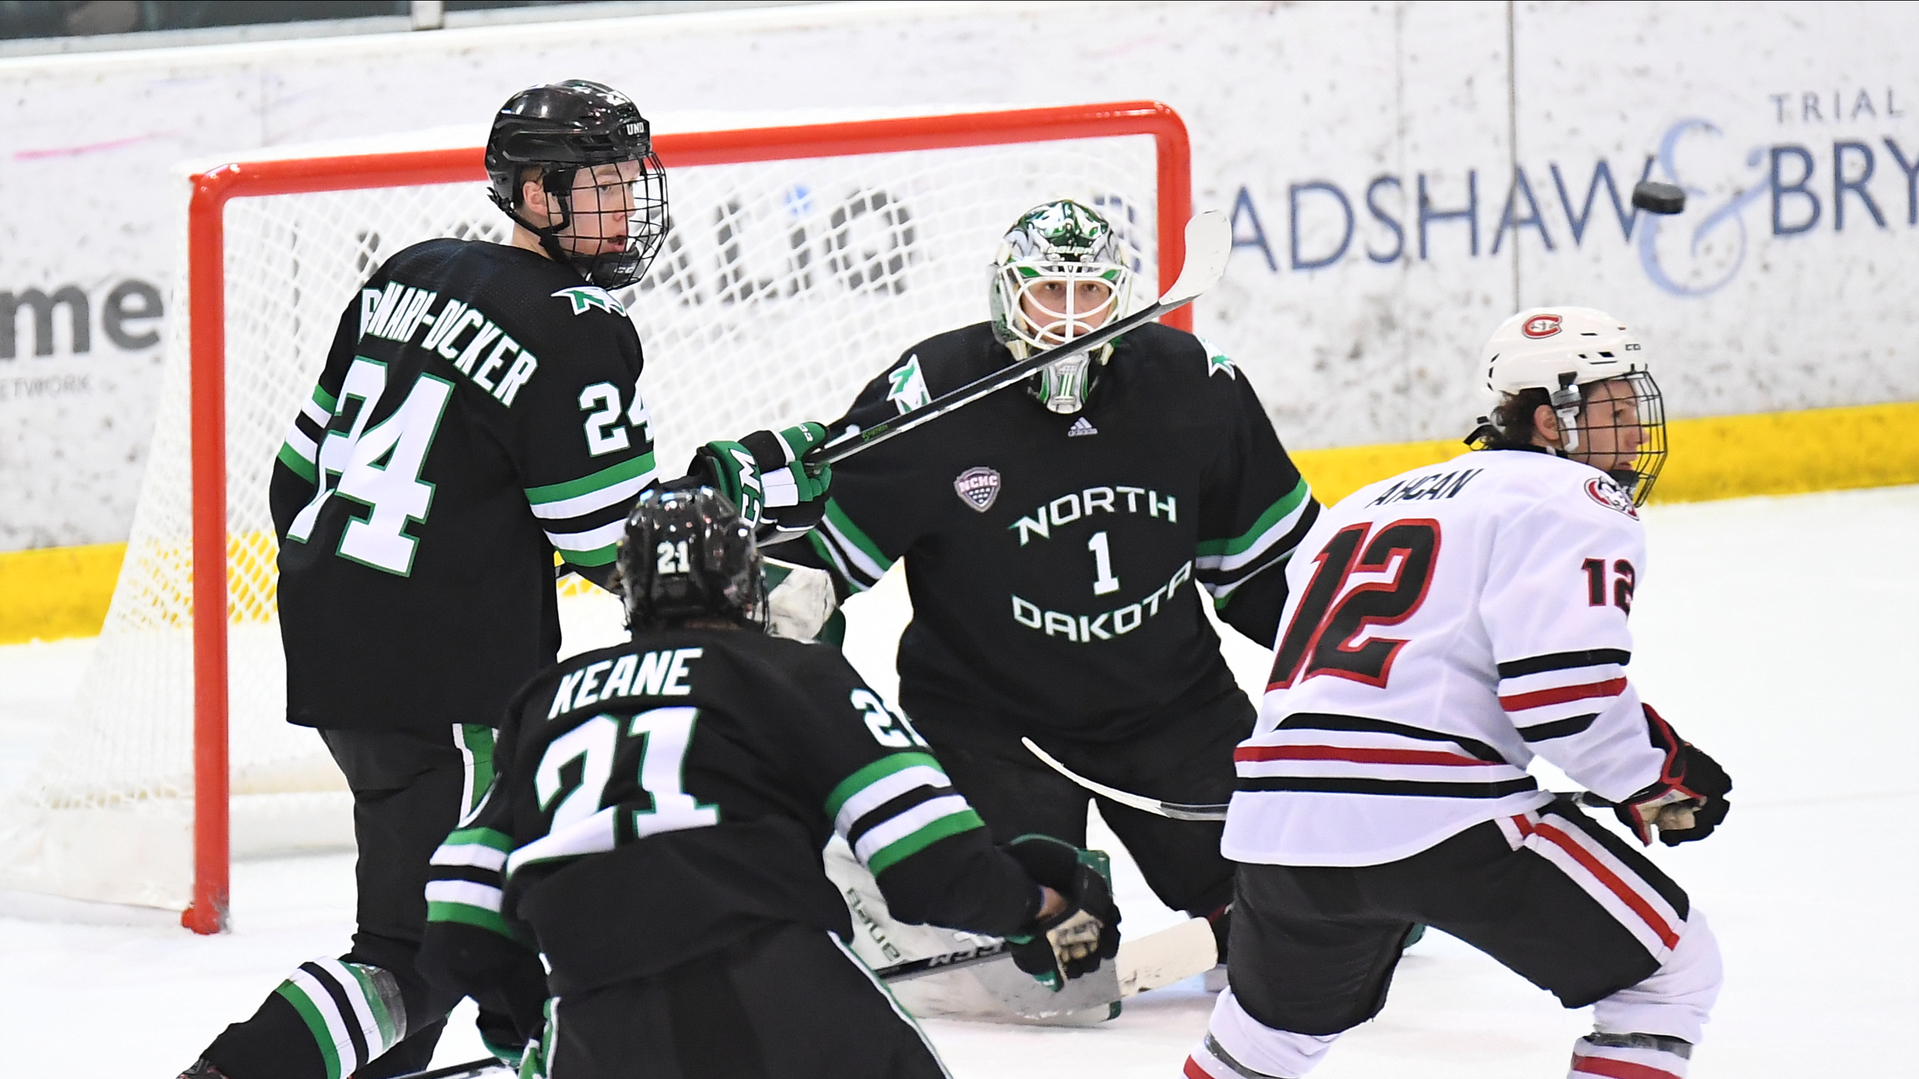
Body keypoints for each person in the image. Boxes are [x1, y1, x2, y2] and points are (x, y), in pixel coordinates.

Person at [179, 81, 825, 1079]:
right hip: (451, 682)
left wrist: (360, 596)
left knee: (445, 921)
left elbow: (295, 473)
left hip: (339, 649)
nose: (626, 209)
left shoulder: (406, 273)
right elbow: (608, 535)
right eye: (601, 186)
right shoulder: (572, 324)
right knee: (424, 948)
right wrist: (736, 488)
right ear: (532, 193)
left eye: (627, 184)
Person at [1185, 307, 1732, 1079]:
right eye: (1614, 409)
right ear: (1550, 420)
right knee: (1669, 975)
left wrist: (1639, 758)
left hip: (1278, 825)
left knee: (1260, 1043)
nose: (1635, 432)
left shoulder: (1361, 504)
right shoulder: (1570, 496)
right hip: (1439, 817)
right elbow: (1561, 695)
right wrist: (1652, 771)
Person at [415, 483, 1121, 1078]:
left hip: (597, 1021)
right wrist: (1036, 903)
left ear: (628, 591)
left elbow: (459, 924)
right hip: (777, 990)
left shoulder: (544, 702)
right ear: (746, 580)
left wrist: (530, 1030)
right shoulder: (791, 673)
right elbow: (928, 865)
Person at [785, 199, 1319, 957]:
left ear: (1122, 295)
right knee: (1052, 946)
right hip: (995, 725)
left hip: (1171, 709)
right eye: (1048, 293)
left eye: (1090, 294)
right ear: (1009, 293)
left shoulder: (1194, 385)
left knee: (1291, 920)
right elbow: (818, 566)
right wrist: (809, 714)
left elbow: (1270, 570)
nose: (1069, 320)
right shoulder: (929, 394)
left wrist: (1355, 683)